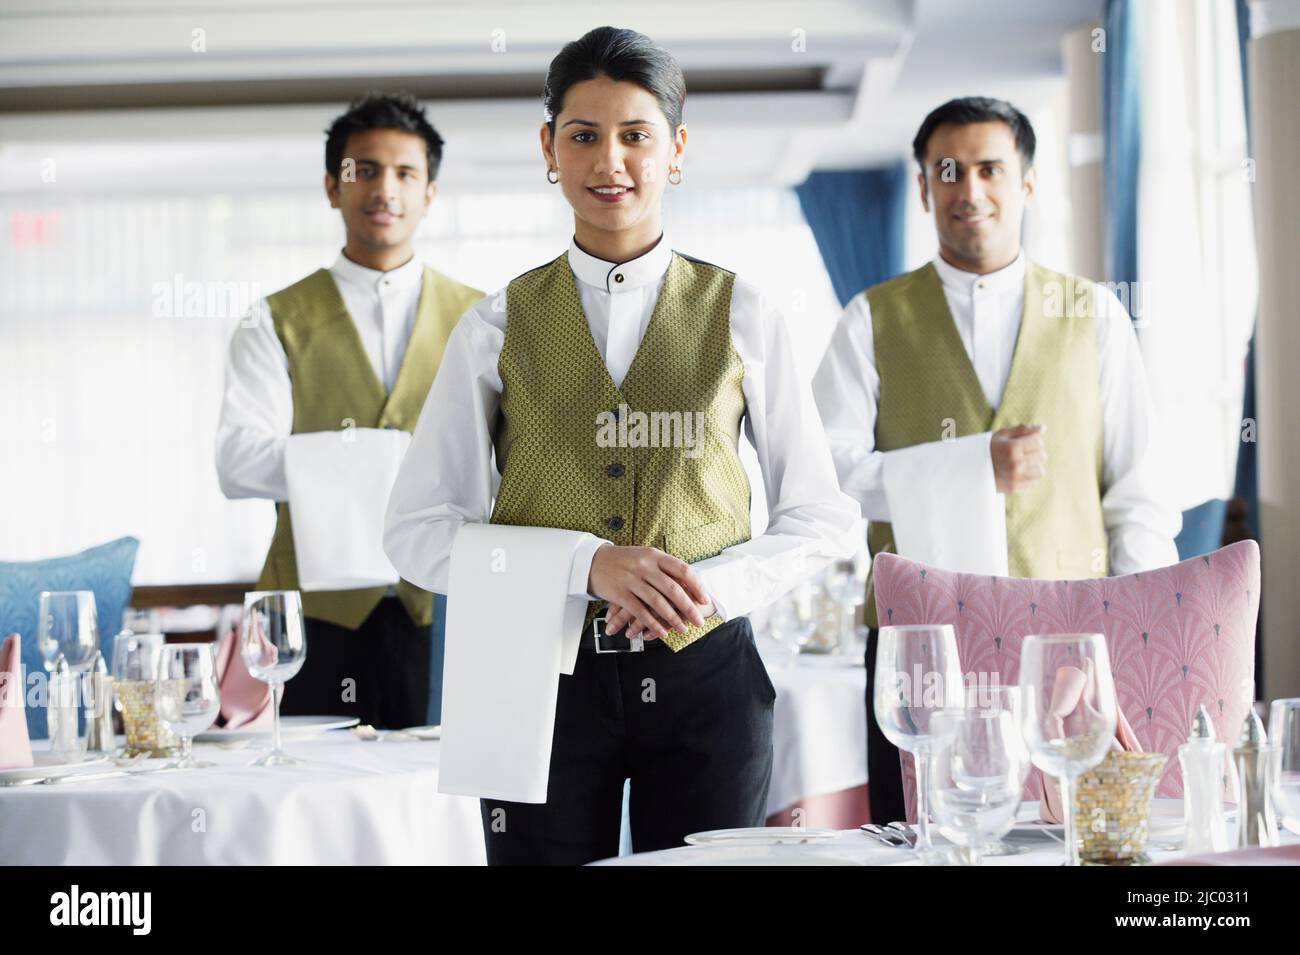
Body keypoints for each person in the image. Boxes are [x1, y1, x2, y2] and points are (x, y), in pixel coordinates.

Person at [384, 26, 861, 865]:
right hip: (535, 682)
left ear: (675, 150)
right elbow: (417, 531)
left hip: (709, 681)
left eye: (636, 135)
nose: (611, 160)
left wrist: (701, 589)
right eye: (584, 135)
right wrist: (584, 564)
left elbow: (820, 517)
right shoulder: (493, 326)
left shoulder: (744, 312)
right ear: (549, 148)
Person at [812, 96, 1180, 824]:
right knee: (920, 838)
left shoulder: (1096, 315)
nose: (969, 190)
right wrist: (975, 466)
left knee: (1073, 835)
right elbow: (826, 475)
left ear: (1027, 184)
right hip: (919, 648)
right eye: (948, 171)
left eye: (990, 169)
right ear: (923, 187)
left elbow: (1137, 496)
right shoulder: (869, 320)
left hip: (1072, 647)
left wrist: (1129, 644)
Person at [216, 92, 483, 730]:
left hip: (447, 606)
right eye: (363, 170)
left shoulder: (484, 316)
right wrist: (388, 455)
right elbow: (236, 463)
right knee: (309, 798)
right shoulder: (272, 320)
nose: (383, 188)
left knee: (445, 800)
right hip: (312, 619)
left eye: (404, 173)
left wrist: (343, 462)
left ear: (430, 194)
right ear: (333, 189)